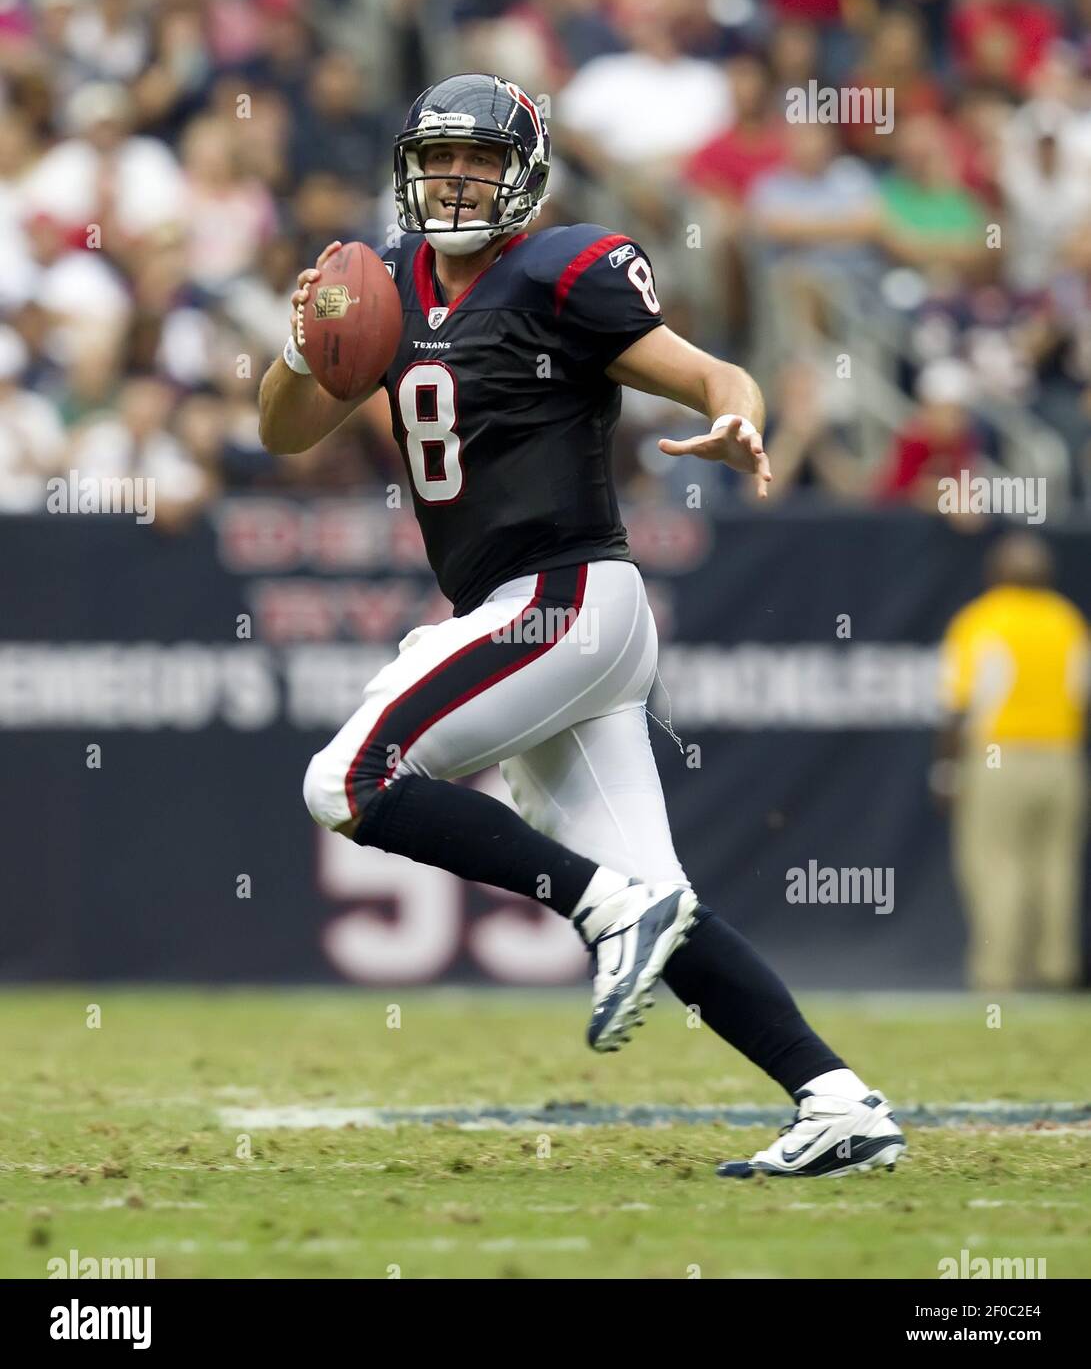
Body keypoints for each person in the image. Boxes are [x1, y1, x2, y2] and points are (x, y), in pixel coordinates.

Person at [258, 74, 906, 1178]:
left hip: (565, 597)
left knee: (347, 781)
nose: (453, 179)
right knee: (667, 905)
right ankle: (835, 1098)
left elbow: (706, 369)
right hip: (531, 619)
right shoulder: (387, 287)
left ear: (523, 175)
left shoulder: (559, 270)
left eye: (477, 160)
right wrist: (298, 344)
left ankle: (605, 907)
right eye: (437, 159)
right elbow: (283, 433)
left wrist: (735, 411)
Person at [936, 532, 1090, 991]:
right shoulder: (1067, 620)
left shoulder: (982, 621)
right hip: (1062, 759)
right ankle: (1055, 969)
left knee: (996, 863)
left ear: (995, 573)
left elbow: (958, 704)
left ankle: (1000, 975)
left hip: (999, 758)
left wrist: (947, 769)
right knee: (1057, 866)